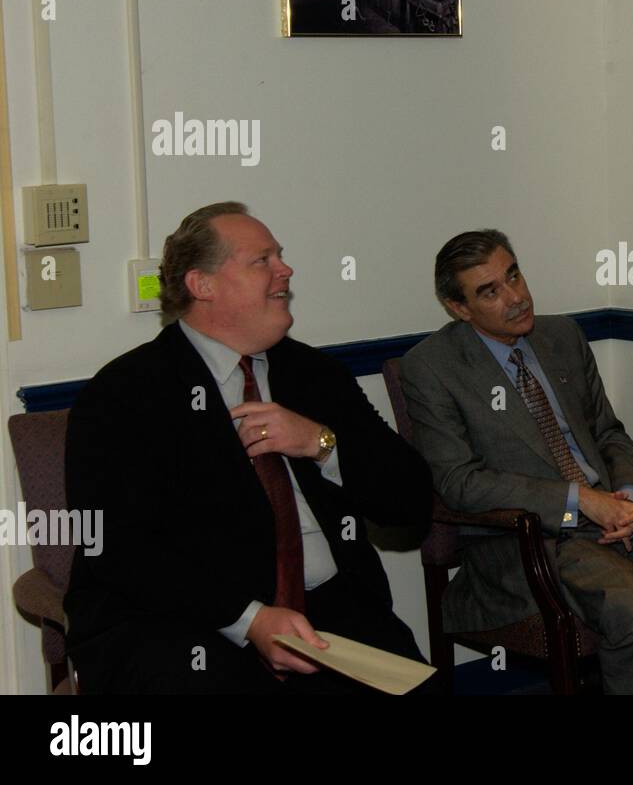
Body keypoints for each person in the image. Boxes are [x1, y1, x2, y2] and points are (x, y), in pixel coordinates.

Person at [64, 202, 433, 693]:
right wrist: (251, 619)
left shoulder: (315, 376)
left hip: (330, 615)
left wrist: (321, 444)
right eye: (262, 260)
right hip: (188, 625)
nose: (286, 270)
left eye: (279, 256)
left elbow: (409, 502)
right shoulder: (124, 394)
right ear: (203, 285)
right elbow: (119, 549)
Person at [400, 230, 633, 694]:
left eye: (514, 275)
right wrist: (581, 502)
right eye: (490, 291)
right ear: (459, 308)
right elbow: (459, 482)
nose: (515, 297)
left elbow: (609, 433)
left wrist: (629, 496)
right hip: (538, 537)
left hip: (622, 511)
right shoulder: (432, 368)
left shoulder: (561, 336)